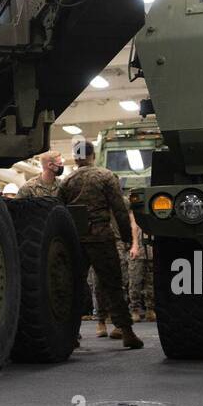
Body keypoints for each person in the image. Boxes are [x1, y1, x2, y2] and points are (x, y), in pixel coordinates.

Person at [58, 139, 143, 349]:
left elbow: (60, 212)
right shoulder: (105, 176)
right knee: (113, 285)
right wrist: (126, 236)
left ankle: (71, 335)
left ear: (76, 158)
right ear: (93, 155)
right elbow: (120, 210)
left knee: (75, 287)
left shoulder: (66, 181)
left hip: (77, 240)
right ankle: (127, 332)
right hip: (102, 238)